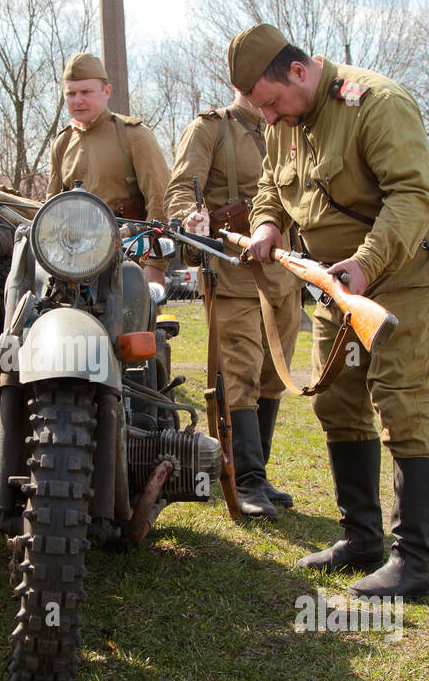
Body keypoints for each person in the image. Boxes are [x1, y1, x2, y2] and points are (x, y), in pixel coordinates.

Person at [229, 23, 429, 601]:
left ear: (298, 71)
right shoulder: (283, 122)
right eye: (262, 111)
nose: (270, 120)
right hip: (333, 287)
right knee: (337, 401)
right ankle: (362, 539)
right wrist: (268, 227)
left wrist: (364, 267)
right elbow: (270, 190)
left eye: (273, 103)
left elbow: (412, 197)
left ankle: (414, 562)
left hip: (399, 282)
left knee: (402, 405)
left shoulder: (375, 104)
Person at [164, 91, 303, 519]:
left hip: (285, 272)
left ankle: (257, 473)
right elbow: (179, 193)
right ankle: (244, 479)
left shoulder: (291, 126)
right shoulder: (211, 128)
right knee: (240, 372)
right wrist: (191, 218)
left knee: (273, 375)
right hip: (233, 272)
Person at [48, 52, 171, 285]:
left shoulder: (132, 135)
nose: (77, 100)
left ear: (107, 92)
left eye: (86, 92)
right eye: (70, 93)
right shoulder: (62, 143)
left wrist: (154, 264)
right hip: (74, 265)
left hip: (129, 262)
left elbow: (160, 200)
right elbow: (51, 211)